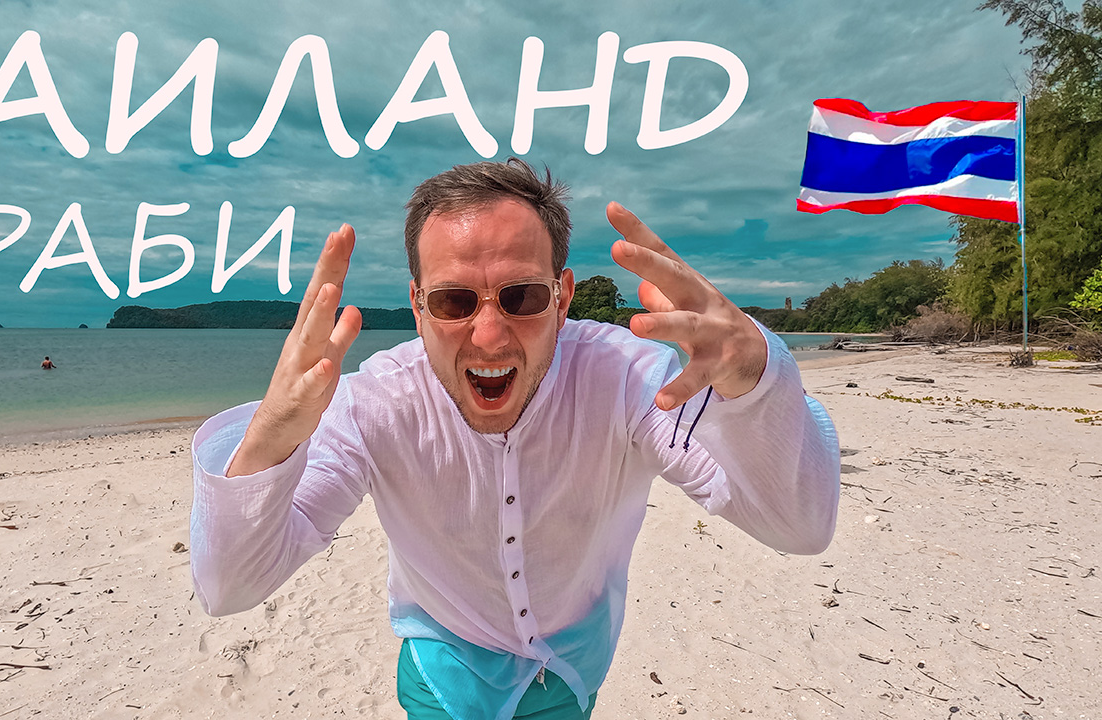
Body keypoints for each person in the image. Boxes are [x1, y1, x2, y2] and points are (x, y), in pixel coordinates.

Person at [190, 159, 839, 719]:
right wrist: (271, 436)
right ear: (417, 305)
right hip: (444, 667)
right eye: (453, 302)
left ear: (562, 296)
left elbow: (798, 525)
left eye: (521, 296)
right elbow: (231, 588)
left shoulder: (624, 377)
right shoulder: (377, 400)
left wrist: (754, 380)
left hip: (572, 664)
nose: (490, 336)